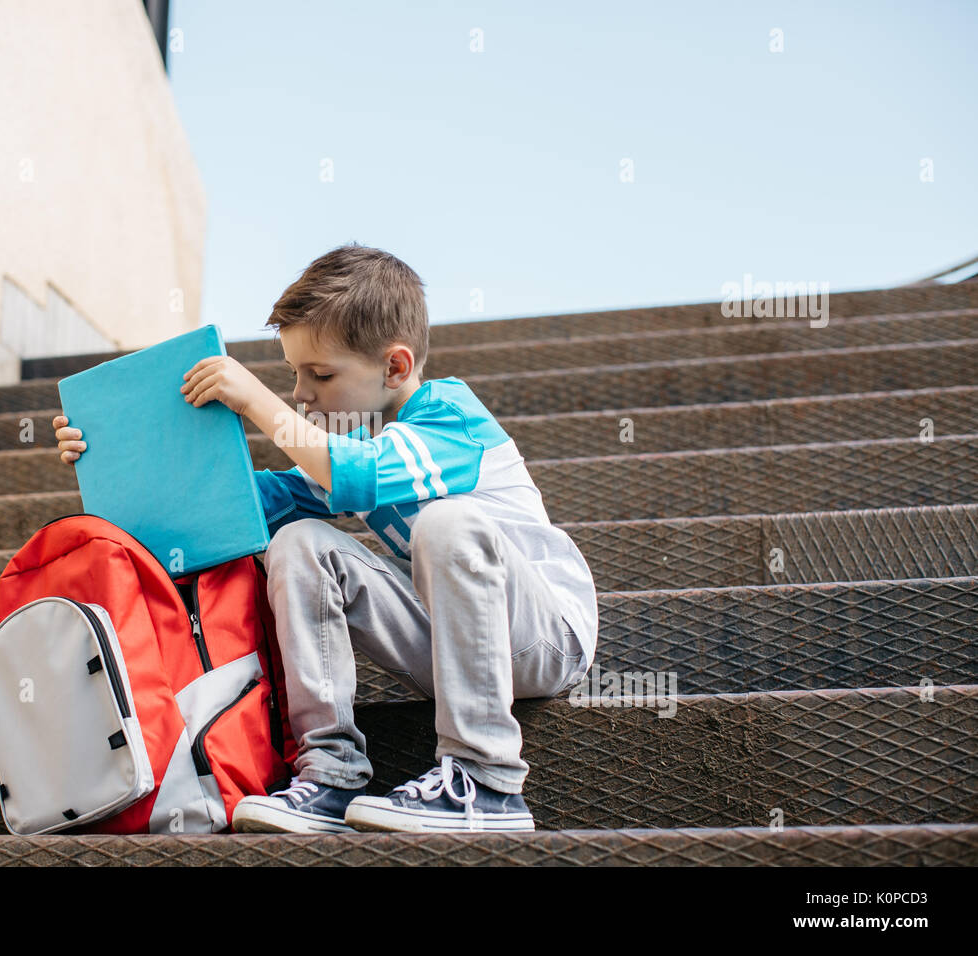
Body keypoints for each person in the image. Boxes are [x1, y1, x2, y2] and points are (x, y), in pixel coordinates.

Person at [55, 242, 599, 834]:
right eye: (292, 374)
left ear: (395, 367)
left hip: (544, 640)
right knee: (298, 542)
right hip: (446, 647)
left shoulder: (450, 418)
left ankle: (487, 779)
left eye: (321, 374)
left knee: (446, 522)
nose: (300, 393)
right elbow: (235, 506)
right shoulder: (354, 447)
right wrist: (114, 456)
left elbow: (356, 475)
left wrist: (254, 400)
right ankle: (330, 775)